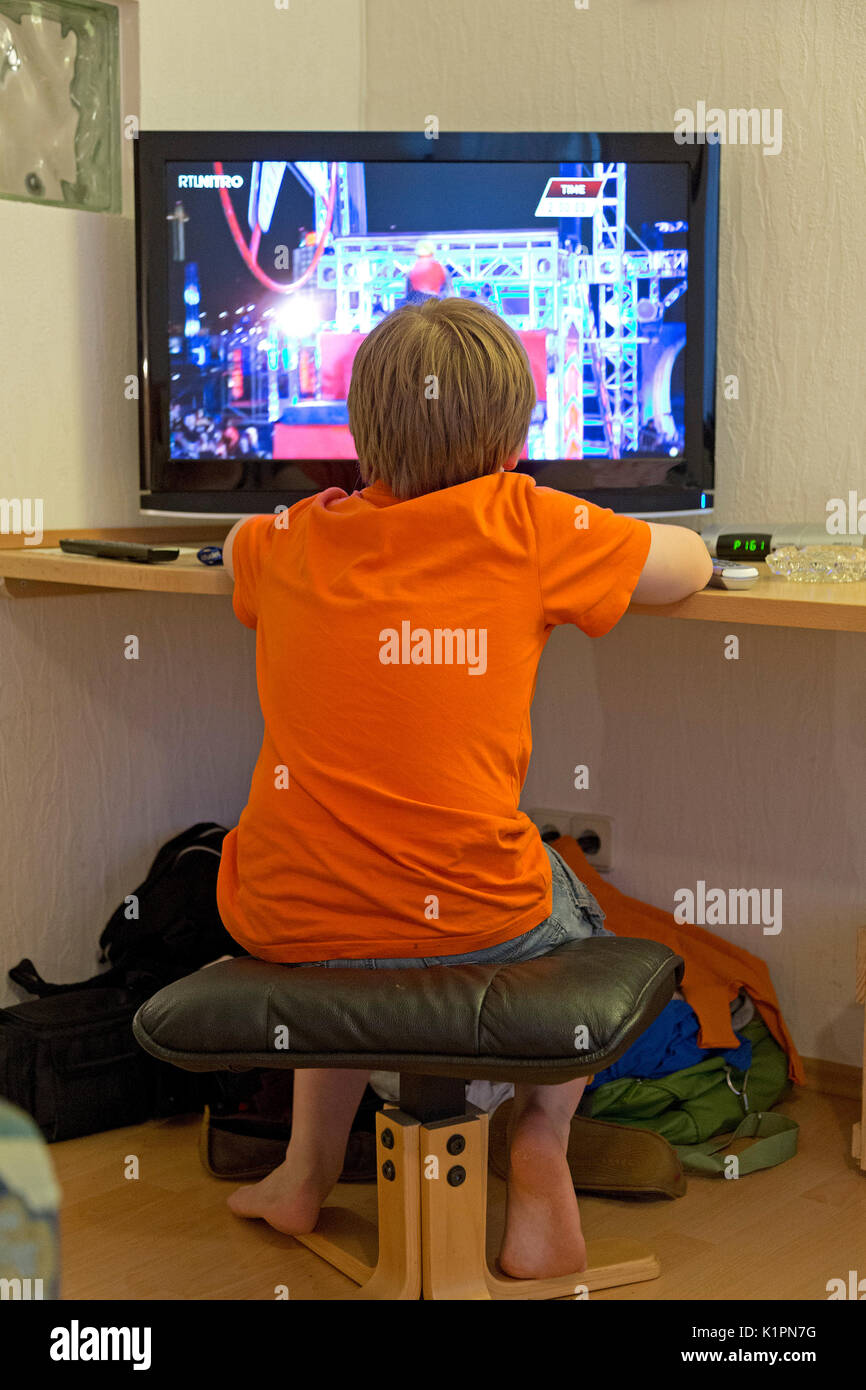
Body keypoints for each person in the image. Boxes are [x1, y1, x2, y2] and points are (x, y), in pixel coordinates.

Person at [217, 298, 712, 1280]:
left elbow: (234, 544)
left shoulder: (282, 539)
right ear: (516, 436)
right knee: (568, 891)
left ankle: (302, 1170)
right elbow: (685, 564)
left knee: (344, 914)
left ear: (354, 426)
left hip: (283, 916)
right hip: (471, 921)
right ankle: (536, 1142)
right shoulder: (525, 522)